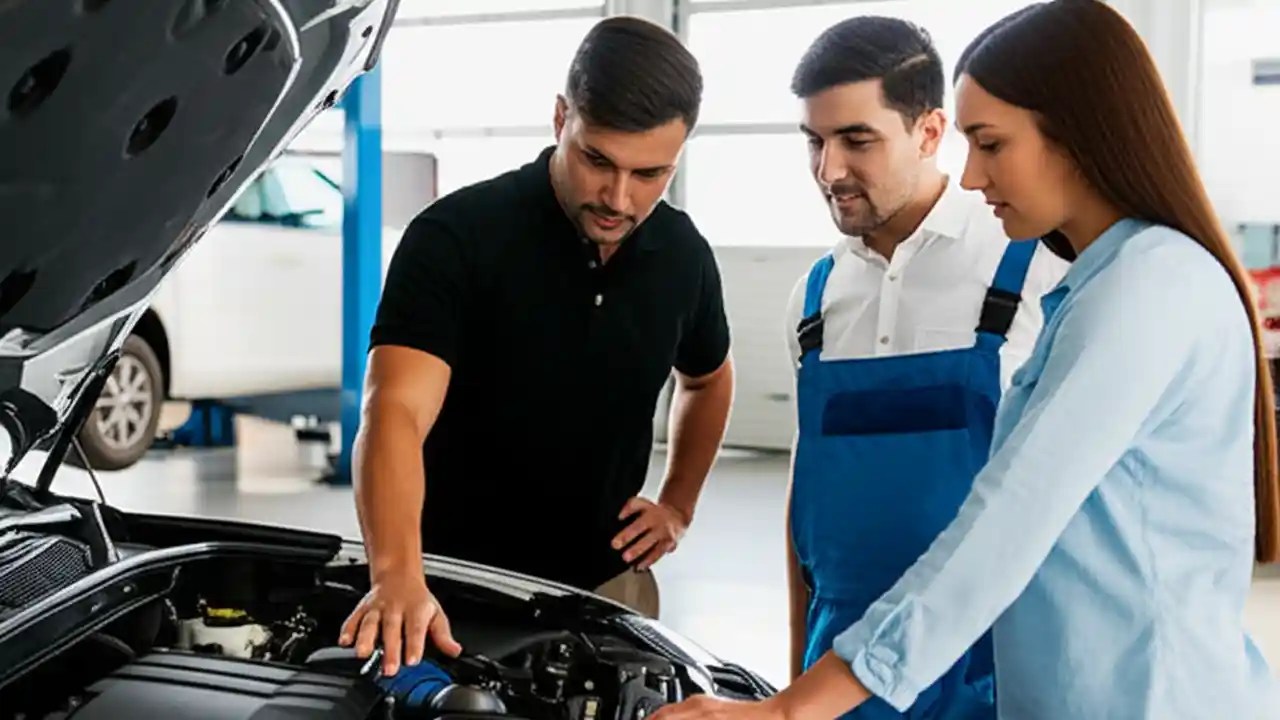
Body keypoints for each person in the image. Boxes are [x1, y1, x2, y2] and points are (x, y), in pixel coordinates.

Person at [652, 2, 1280, 719]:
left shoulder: (1150, 287)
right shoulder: (1101, 283)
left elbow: (1009, 515)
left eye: (989, 144)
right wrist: (801, 682)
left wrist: (794, 709)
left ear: (1073, 135)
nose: (974, 177)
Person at [339, 16, 735, 678]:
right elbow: (395, 414)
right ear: (561, 119)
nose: (618, 198)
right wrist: (397, 574)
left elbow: (708, 378)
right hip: (447, 590)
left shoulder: (684, 256)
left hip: (607, 594)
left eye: (650, 174)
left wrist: (678, 505)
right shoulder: (456, 238)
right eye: (598, 160)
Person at [781, 16, 1066, 720]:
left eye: (857, 140)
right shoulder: (815, 298)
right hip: (838, 675)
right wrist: (792, 682)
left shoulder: (1033, 271)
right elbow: (806, 505)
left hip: (993, 671)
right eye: (814, 142)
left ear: (931, 132)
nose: (829, 170)